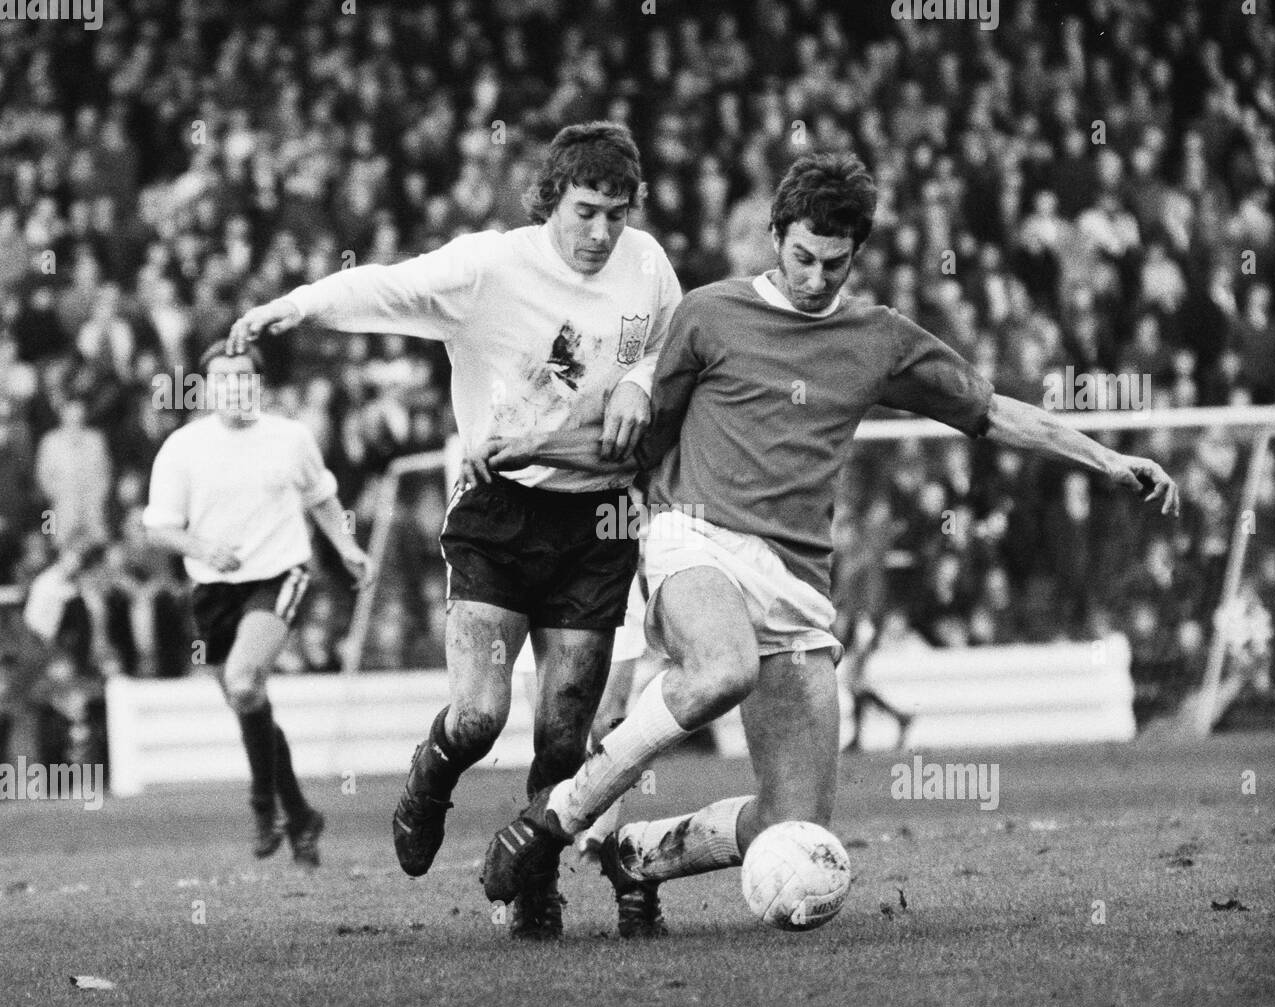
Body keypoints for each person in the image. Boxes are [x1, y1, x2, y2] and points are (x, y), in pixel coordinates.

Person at [479, 152, 1180, 931]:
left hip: (798, 584)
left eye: (834, 264)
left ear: (858, 255)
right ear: (776, 236)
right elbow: (631, 438)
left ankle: (639, 854)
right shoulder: (710, 315)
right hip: (695, 540)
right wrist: (537, 444)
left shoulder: (877, 339)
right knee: (722, 670)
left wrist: (1106, 457)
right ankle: (552, 822)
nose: (815, 277)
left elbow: (990, 412)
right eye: (802, 257)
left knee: (795, 831)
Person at [226, 122, 682, 938]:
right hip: (499, 511)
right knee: (478, 715)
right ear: (550, 199)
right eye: (585, 211)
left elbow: (675, 348)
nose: (600, 233)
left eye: (616, 213)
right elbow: (383, 287)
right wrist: (290, 307)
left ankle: (535, 881)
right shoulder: (490, 266)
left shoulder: (646, 264)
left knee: (561, 734)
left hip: (599, 518)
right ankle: (431, 775)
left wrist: (640, 384)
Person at [143, 342, 372, 866]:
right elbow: (157, 529)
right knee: (249, 702)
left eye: (244, 378)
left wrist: (347, 547)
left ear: (259, 385)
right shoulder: (183, 447)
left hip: (280, 574)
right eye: (223, 380)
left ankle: (262, 804)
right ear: (205, 389)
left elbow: (321, 497)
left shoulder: (290, 438)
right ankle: (301, 814)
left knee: (244, 682)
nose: (235, 389)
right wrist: (203, 549)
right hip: (213, 591)